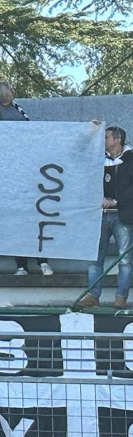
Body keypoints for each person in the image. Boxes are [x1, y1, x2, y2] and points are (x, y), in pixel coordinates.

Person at [0, 82, 51, 276]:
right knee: (17, 220)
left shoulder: (17, 108)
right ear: (2, 93)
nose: (13, 93)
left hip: (28, 167)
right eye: (10, 90)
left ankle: (43, 261)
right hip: (8, 171)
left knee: (37, 215)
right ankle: (21, 265)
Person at [79, 126, 133, 309]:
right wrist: (90, 132)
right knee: (95, 258)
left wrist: (116, 201)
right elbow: (77, 154)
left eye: (106, 137)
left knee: (124, 259)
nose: (103, 141)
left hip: (123, 216)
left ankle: (120, 297)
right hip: (99, 216)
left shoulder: (131, 159)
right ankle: (93, 296)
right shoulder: (97, 158)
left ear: (117, 140)